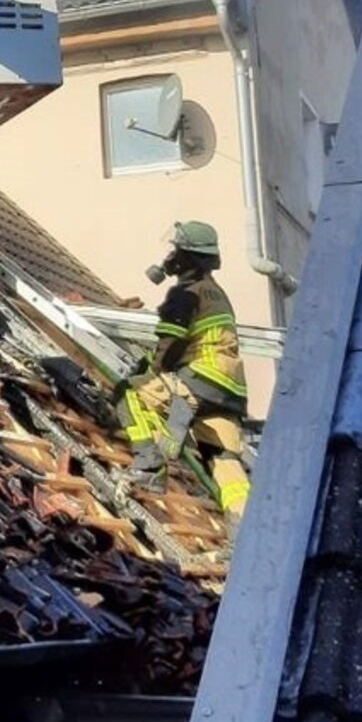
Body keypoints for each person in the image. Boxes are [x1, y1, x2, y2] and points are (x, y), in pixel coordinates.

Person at [115, 221, 250, 525]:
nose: (170, 256)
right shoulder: (217, 293)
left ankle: (150, 467)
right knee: (223, 460)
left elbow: (170, 345)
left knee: (128, 393)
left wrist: (148, 371)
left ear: (187, 256)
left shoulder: (185, 293)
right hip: (229, 392)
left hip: (199, 379)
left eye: (176, 249)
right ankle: (243, 532)